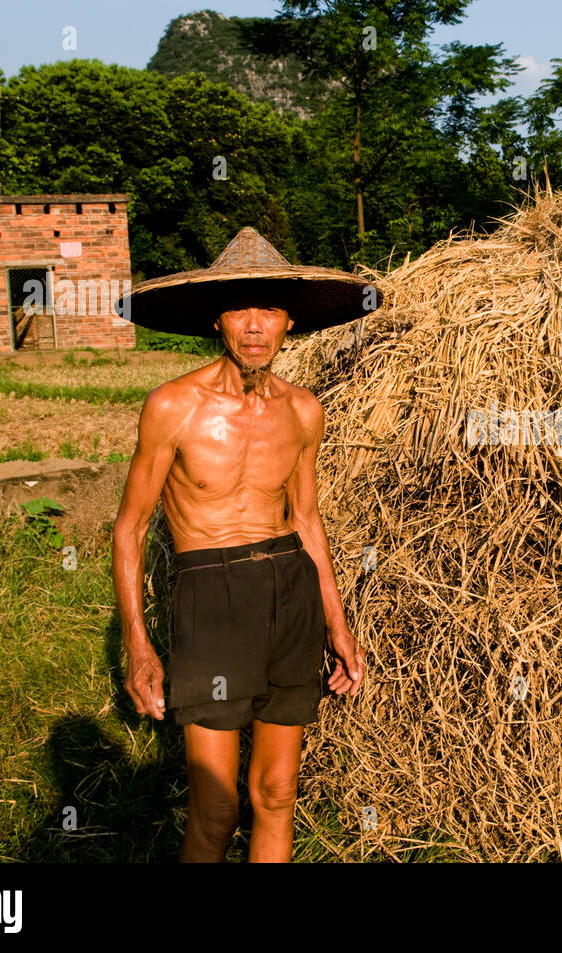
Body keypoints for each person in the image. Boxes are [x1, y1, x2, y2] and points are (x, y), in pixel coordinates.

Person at [111, 227, 379, 862]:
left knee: (278, 792)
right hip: (211, 597)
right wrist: (138, 645)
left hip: (292, 593)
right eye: (239, 309)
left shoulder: (304, 411)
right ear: (217, 320)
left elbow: (308, 521)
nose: (254, 326)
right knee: (216, 807)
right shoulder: (173, 405)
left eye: (268, 310)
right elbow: (131, 526)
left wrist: (337, 626)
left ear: (290, 322)